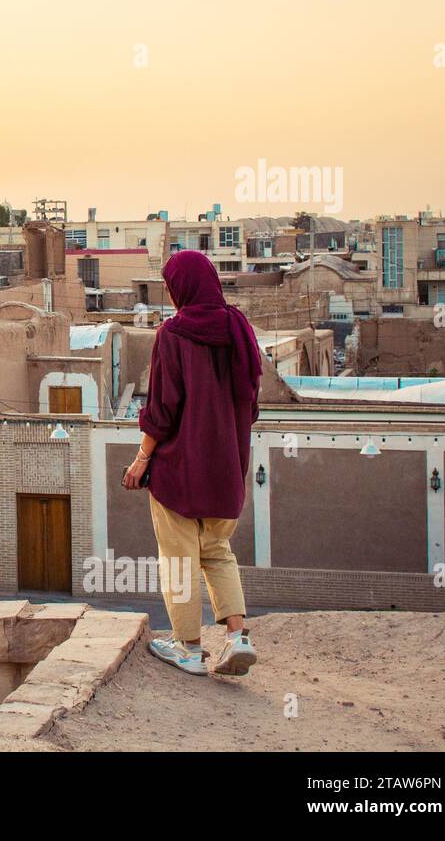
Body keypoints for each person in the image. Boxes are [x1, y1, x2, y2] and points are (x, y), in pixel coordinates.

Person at [121, 249, 261, 677]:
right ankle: (237, 637)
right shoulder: (239, 328)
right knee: (218, 553)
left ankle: (189, 648)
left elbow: (162, 410)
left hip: (180, 470)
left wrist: (141, 459)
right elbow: (250, 402)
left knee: (179, 560)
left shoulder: (173, 334)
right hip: (226, 469)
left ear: (179, 287)